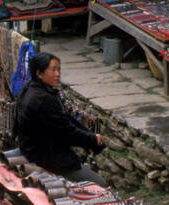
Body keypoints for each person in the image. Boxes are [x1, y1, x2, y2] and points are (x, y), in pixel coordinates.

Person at [16, 51, 107, 183]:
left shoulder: (32, 88)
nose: (58, 74)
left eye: (59, 70)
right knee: (99, 183)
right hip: (45, 156)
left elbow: (64, 120)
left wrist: (91, 136)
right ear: (39, 73)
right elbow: (67, 132)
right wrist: (92, 140)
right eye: (53, 70)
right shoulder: (43, 99)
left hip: (36, 148)